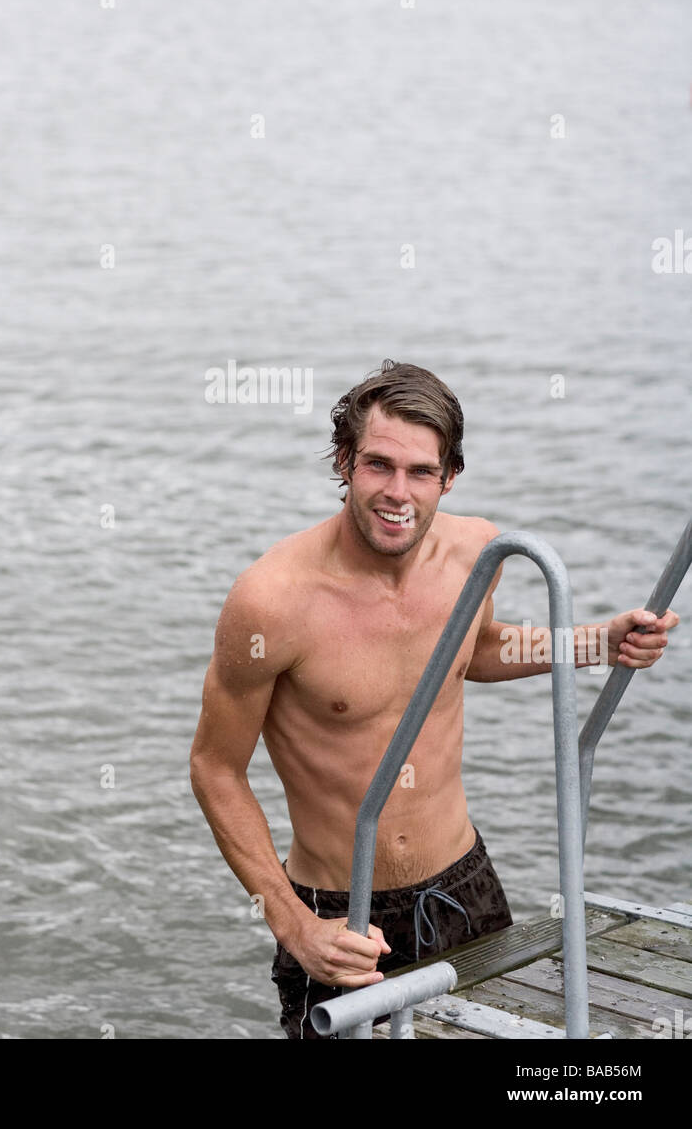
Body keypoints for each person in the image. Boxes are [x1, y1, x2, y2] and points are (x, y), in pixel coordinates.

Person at [189, 360, 680, 1039]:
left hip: (467, 886)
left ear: (450, 476)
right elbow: (216, 768)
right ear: (344, 462)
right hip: (343, 913)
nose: (398, 492)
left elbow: (468, 651)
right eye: (378, 465)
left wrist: (593, 642)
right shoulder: (272, 602)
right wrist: (292, 923)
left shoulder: (479, 551)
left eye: (421, 472)